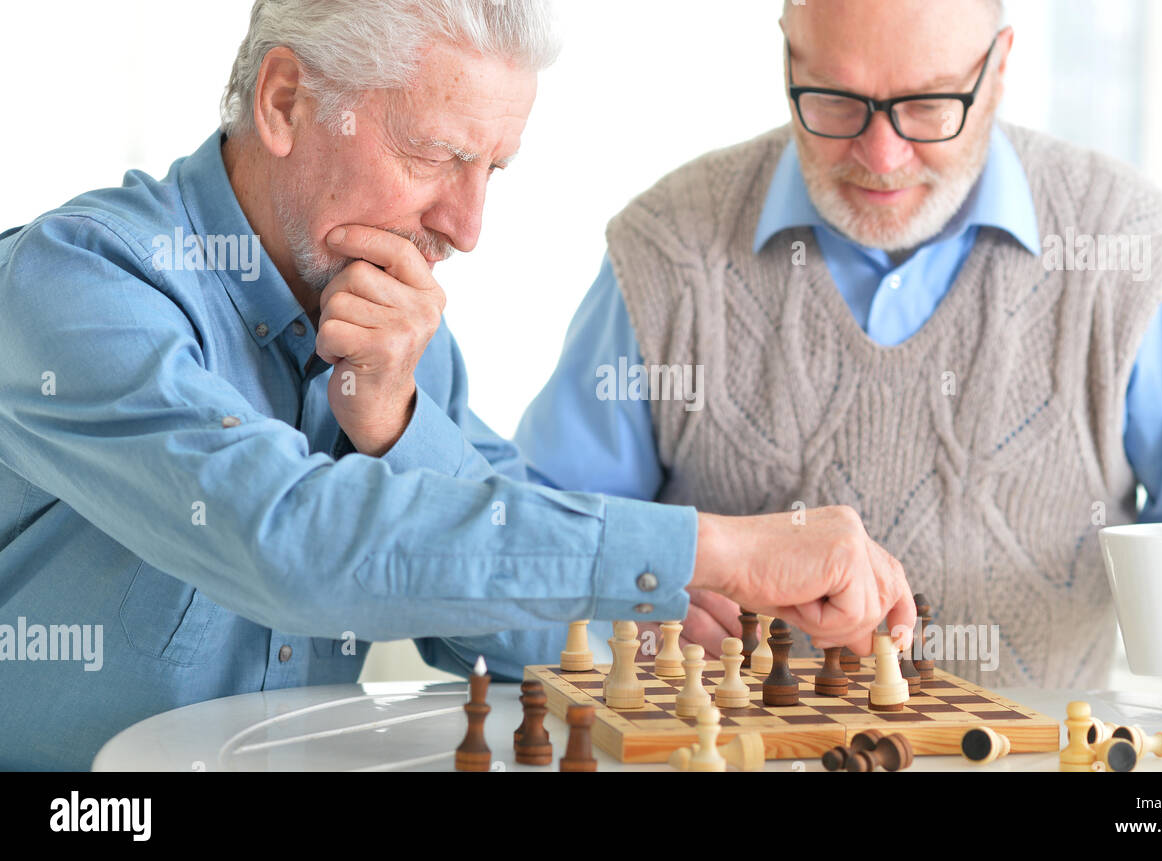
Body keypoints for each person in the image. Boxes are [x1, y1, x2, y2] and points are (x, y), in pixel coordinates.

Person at [0, 0, 913, 771]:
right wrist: (715, 548)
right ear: (285, 101)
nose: (467, 226)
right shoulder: (71, 285)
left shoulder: (398, 324)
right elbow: (287, 543)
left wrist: (399, 427)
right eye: (435, 155)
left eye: (493, 169)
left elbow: (519, 644)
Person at [515, 0, 1162, 687]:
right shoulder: (666, 253)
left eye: (927, 105)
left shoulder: (1124, 252)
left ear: (999, 68)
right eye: (836, 100)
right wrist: (634, 605)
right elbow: (517, 551)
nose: (881, 156)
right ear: (787, 52)